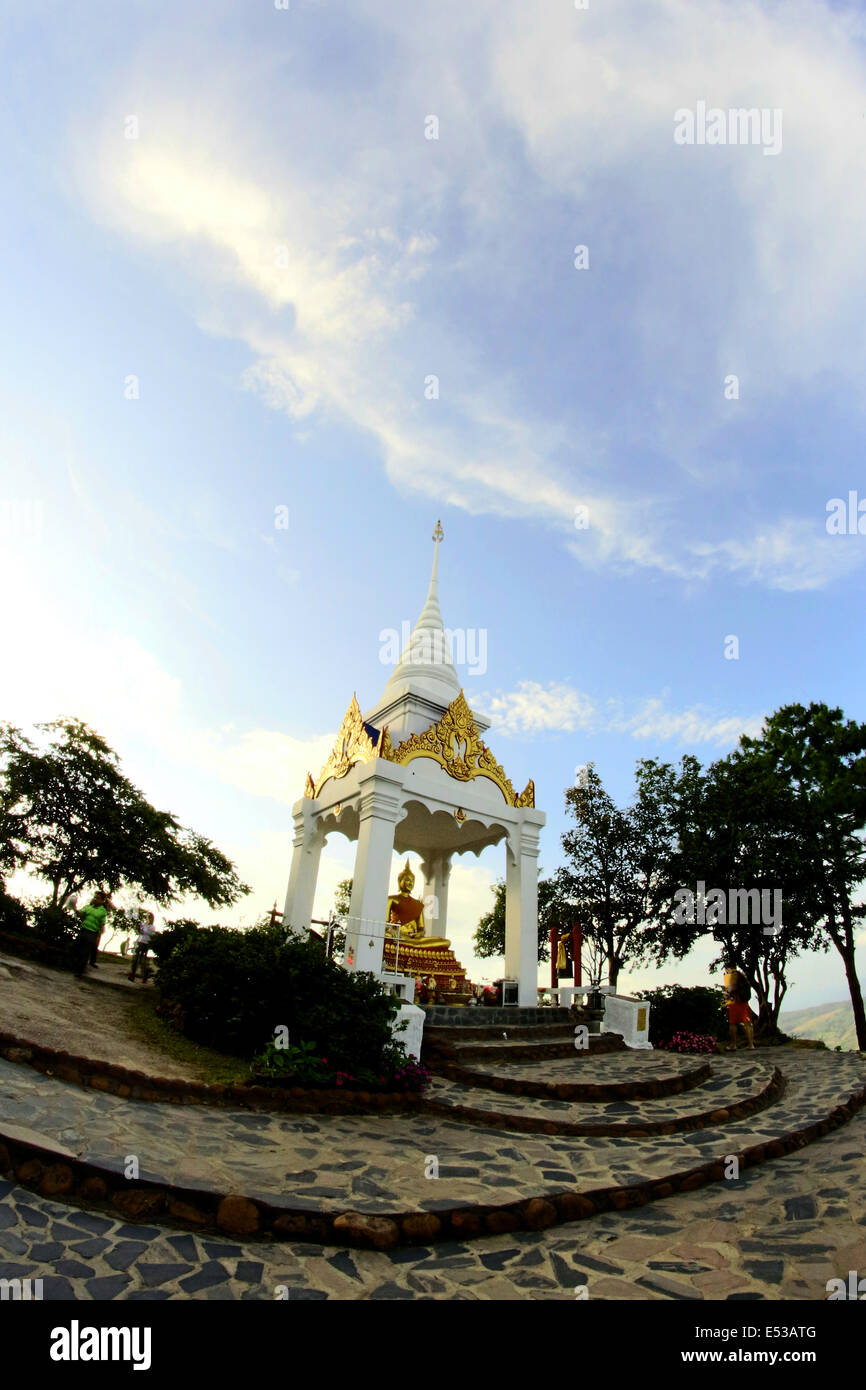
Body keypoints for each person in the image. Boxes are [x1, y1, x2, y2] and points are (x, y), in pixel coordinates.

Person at [73, 892, 110, 977]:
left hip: (92, 933)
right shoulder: (88, 907)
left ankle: (80, 971)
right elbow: (81, 914)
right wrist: (75, 908)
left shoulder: (103, 911)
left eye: (97, 898)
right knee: (76, 948)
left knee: (85, 952)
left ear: (102, 901)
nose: (95, 899)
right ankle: (77, 966)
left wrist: (98, 937)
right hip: (83, 930)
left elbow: (102, 925)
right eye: (95, 897)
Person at [724, 965, 756, 1050]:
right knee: (747, 1023)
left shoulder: (733, 975)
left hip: (736, 1002)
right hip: (744, 1002)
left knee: (733, 1023)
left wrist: (728, 993)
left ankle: (733, 1044)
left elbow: (732, 988)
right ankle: (751, 1044)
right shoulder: (741, 975)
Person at [128, 911, 156, 983]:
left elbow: (146, 932)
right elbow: (140, 931)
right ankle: (133, 975)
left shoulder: (152, 927)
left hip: (146, 943)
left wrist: (141, 928)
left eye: (149, 918)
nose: (148, 919)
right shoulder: (145, 925)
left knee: (142, 961)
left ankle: (144, 976)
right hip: (141, 942)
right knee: (136, 959)